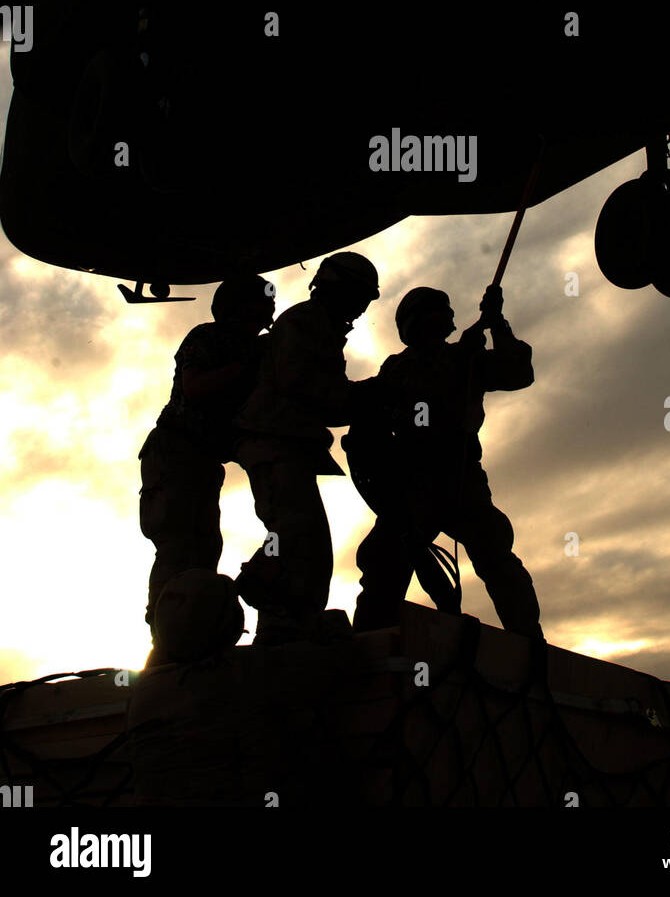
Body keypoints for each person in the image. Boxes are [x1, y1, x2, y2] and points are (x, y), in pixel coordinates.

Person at [345, 283, 543, 639]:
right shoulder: (401, 370)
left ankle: (529, 641)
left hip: (459, 477)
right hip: (412, 483)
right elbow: (369, 404)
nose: (438, 323)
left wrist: (498, 324)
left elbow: (518, 372)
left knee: (495, 556)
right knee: (385, 561)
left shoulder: (466, 360)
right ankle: (368, 641)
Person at [231, 252, 382, 646]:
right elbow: (306, 388)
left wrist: (364, 398)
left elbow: (323, 398)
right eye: (359, 297)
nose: (361, 308)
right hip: (274, 444)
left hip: (283, 445)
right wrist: (370, 395)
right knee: (297, 536)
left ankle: (289, 622)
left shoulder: (321, 328)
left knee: (302, 541)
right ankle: (274, 615)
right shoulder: (305, 323)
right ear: (339, 289)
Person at [138, 274, 274, 662]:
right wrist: (249, 363)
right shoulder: (210, 338)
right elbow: (195, 387)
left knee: (202, 552)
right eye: (261, 301)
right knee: (180, 548)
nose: (268, 309)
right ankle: (165, 642)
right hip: (176, 454)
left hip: (201, 462)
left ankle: (185, 639)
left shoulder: (252, 349)